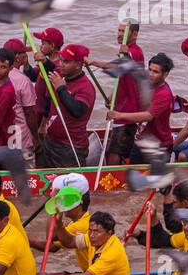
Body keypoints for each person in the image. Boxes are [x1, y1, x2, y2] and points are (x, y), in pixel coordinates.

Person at [40, 210, 133, 275]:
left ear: (109, 233)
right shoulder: (92, 238)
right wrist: (59, 225)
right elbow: (70, 241)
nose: (92, 235)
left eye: (97, 232)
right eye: (90, 230)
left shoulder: (113, 251)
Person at [88, 18, 144, 165]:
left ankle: (115, 184)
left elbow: (119, 66)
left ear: (134, 34)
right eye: (119, 30)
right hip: (120, 110)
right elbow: (122, 77)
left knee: (113, 155)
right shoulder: (127, 53)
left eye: (123, 31)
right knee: (116, 152)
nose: (119, 34)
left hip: (128, 113)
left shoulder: (135, 52)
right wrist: (112, 98)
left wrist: (93, 62)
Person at [36, 45, 96, 168]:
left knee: (68, 184)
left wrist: (61, 89)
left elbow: (77, 110)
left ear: (79, 65)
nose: (62, 64)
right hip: (50, 140)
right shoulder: (61, 73)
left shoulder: (86, 87)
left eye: (67, 61)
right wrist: (44, 60)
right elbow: (53, 67)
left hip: (70, 147)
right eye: (61, 59)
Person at [107, 52, 175, 161]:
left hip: (158, 146)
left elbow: (148, 116)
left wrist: (119, 115)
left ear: (165, 74)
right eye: (150, 70)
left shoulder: (163, 94)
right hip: (141, 140)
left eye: (156, 72)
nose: (151, 74)